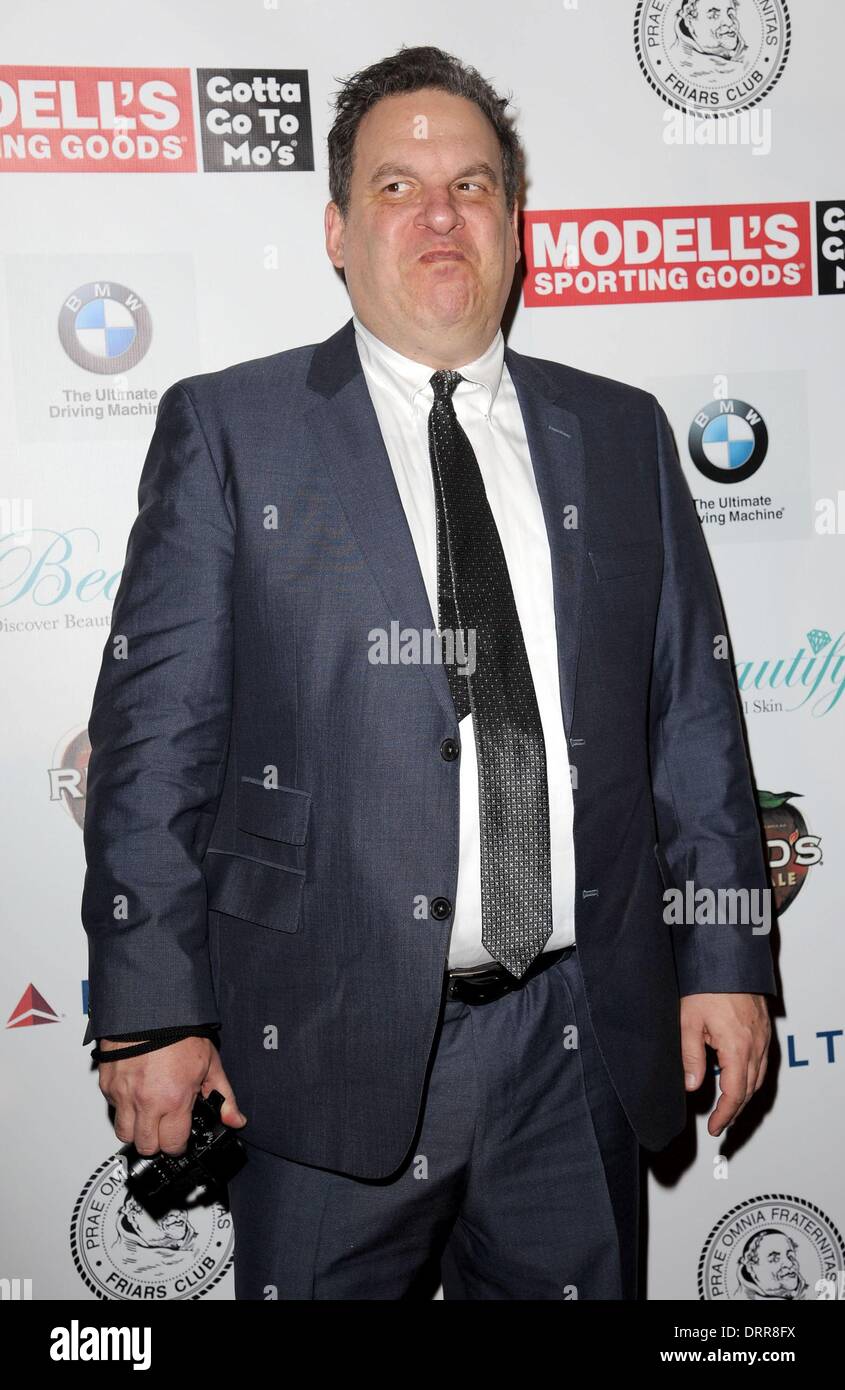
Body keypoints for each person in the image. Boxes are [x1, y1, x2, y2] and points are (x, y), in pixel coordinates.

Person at [81, 45, 775, 1300]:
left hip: (578, 1056)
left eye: (471, 185)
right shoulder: (232, 432)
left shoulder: (618, 434)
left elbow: (690, 720)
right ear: (339, 230)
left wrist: (724, 959)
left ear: (517, 227)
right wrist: (150, 1014)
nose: (440, 215)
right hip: (321, 1055)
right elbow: (154, 750)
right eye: (397, 187)